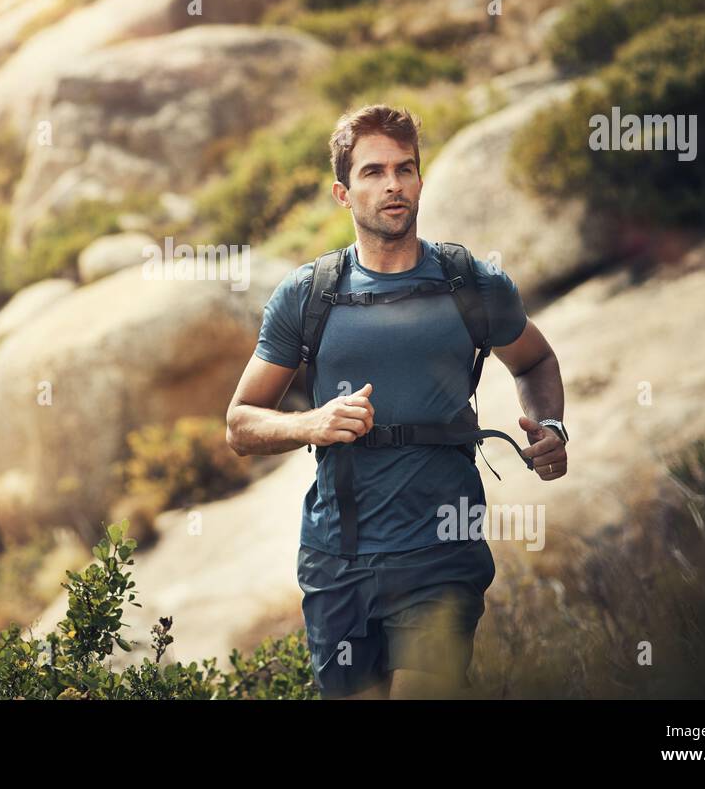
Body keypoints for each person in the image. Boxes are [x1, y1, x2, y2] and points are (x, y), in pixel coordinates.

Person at [225, 104, 569, 699]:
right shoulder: (308, 296)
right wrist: (313, 422)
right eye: (373, 172)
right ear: (342, 191)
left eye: (405, 169)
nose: (393, 185)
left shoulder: (471, 283)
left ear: (419, 179)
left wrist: (551, 425)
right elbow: (239, 424)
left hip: (442, 551)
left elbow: (535, 360)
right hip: (338, 558)